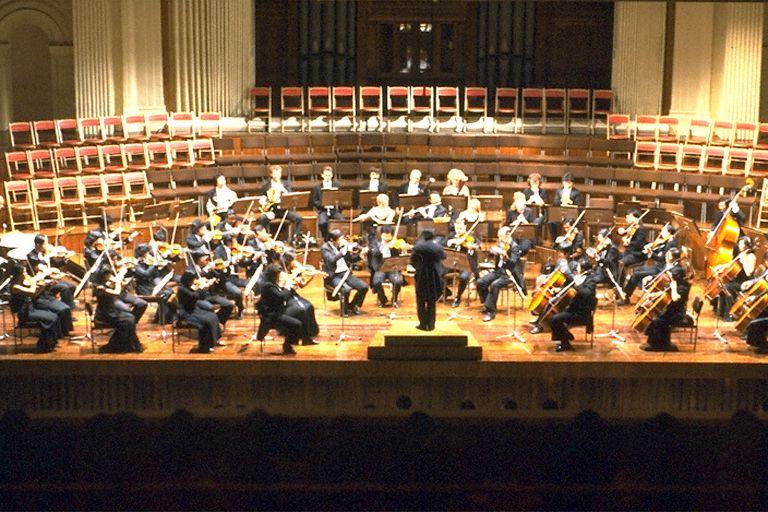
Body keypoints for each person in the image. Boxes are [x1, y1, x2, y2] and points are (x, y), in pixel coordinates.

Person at [9, 263, 67, 353]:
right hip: (25, 313)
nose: (27, 274)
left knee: (54, 315)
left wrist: (43, 286)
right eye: (24, 272)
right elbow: (31, 291)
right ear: (18, 274)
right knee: (50, 319)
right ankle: (44, 346)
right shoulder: (15, 286)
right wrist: (34, 280)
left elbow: (33, 295)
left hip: (31, 309)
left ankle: (51, 343)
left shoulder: (21, 283)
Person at [642, 248, 690, 352]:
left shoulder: (683, 287)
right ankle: (653, 343)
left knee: (658, 320)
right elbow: (666, 293)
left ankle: (661, 345)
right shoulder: (675, 282)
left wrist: (673, 287)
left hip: (677, 312)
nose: (669, 277)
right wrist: (655, 294)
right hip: (670, 308)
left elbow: (675, 299)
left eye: (671, 276)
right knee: (655, 316)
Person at [620, 224, 678, 304]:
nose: (661, 233)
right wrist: (652, 250)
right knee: (636, 270)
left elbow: (662, 259)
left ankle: (626, 296)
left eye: (663, 231)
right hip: (657, 266)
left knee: (636, 274)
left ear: (669, 232)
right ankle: (628, 291)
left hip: (660, 270)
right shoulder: (669, 241)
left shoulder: (671, 244)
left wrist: (651, 254)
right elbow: (659, 251)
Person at [549, 259, 599, 352]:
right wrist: (559, 290)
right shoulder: (580, 278)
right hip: (573, 309)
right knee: (553, 317)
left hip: (582, 313)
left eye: (579, 267)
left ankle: (565, 341)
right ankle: (566, 337)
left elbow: (587, 293)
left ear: (583, 269)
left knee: (554, 319)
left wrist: (577, 285)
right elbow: (570, 290)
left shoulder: (591, 280)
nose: (577, 268)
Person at [477, 226, 525, 322]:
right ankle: (487, 303)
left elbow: (512, 263)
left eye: (501, 236)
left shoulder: (514, 247)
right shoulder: (501, 243)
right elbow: (492, 256)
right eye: (499, 237)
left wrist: (505, 256)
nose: (499, 239)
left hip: (509, 274)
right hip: (498, 271)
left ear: (507, 235)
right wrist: (492, 251)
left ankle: (491, 312)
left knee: (495, 285)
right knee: (480, 282)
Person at [257, 264, 306, 355]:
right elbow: (282, 297)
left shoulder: (273, 283)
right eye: (279, 274)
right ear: (274, 275)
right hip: (272, 315)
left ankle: (292, 335)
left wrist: (291, 286)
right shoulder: (268, 286)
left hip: (279, 310)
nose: (281, 276)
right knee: (297, 324)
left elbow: (284, 295)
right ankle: (287, 345)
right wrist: (287, 286)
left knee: (301, 311)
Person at [94, 265, 144, 354]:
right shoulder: (100, 288)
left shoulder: (106, 284)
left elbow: (118, 289)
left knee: (131, 317)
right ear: (104, 276)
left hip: (111, 310)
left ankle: (129, 344)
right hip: (105, 314)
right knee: (127, 320)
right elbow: (116, 293)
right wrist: (118, 281)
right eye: (108, 275)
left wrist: (120, 280)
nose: (111, 277)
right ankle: (118, 346)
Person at [177, 268, 227, 354]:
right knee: (206, 321)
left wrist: (202, 287)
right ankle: (204, 347)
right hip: (186, 313)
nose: (194, 281)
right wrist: (201, 288)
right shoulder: (181, 288)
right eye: (193, 279)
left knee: (213, 316)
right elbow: (194, 296)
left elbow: (196, 296)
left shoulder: (187, 286)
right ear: (187, 279)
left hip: (192, 309)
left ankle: (214, 341)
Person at [321, 230, 369, 316]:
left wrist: (360, 256)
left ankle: (353, 305)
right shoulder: (325, 248)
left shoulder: (341, 246)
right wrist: (342, 251)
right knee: (346, 289)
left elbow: (350, 260)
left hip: (346, 273)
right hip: (334, 276)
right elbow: (331, 260)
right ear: (332, 240)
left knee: (364, 287)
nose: (342, 240)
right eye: (340, 239)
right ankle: (344, 310)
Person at [279, 251, 319, 345]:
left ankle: (310, 334)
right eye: (294, 260)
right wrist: (294, 276)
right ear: (288, 261)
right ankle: (303, 338)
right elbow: (283, 287)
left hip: (293, 294)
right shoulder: (281, 271)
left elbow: (302, 285)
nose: (296, 262)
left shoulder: (295, 270)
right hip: (285, 296)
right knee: (303, 309)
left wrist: (311, 277)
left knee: (309, 306)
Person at [410, 229, 445, 331]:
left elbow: (413, 260)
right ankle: (431, 324)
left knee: (420, 301)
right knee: (431, 301)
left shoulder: (418, 247)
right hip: (434, 276)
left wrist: (418, 267)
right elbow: (443, 257)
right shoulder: (438, 247)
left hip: (421, 275)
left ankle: (422, 323)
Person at [27, 234, 76, 308]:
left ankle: (64, 306)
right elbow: (41, 272)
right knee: (65, 288)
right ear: (38, 245)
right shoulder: (33, 257)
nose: (48, 245)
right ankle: (66, 309)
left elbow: (56, 264)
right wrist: (52, 271)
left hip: (51, 279)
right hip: (43, 283)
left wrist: (65, 258)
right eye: (45, 243)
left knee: (72, 286)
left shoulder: (44, 252)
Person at [714, 236, 756, 320]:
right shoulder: (742, 253)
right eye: (739, 243)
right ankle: (721, 313)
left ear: (746, 246)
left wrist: (744, 261)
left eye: (741, 244)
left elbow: (749, 273)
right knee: (723, 285)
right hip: (738, 280)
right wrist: (721, 266)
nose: (739, 245)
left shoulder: (752, 256)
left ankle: (729, 315)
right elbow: (731, 263)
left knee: (728, 287)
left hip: (745, 283)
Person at [133, 244, 177, 325]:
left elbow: (155, 275)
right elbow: (145, 274)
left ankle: (163, 317)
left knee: (170, 291)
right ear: (142, 254)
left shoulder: (147, 263)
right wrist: (154, 264)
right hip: (144, 290)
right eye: (147, 253)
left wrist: (162, 267)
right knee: (166, 293)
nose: (149, 255)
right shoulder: (136, 265)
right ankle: (162, 319)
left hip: (151, 286)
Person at [257, 164, 303, 240]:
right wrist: (266, 209)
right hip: (272, 211)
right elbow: (262, 199)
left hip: (284, 210)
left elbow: (291, 197)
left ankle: (296, 238)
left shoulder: (286, 184)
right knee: (262, 218)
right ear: (271, 174)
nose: (277, 176)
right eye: (275, 173)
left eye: (279, 173)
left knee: (298, 218)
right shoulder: (266, 186)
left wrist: (284, 190)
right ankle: (265, 239)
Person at [445, 218, 481, 308]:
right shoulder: (451, 236)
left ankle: (458, 297)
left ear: (465, 227)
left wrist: (471, 246)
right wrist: (454, 241)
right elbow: (446, 244)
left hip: (466, 264)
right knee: (436, 271)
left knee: (464, 277)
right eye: (457, 228)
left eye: (461, 228)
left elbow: (478, 245)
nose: (459, 230)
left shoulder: (471, 236)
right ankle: (446, 292)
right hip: (452, 263)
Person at [368, 225, 406, 308]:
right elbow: (374, 253)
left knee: (398, 281)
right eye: (384, 235)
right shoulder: (375, 243)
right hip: (380, 268)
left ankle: (394, 299)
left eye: (388, 236)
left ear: (392, 235)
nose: (386, 238)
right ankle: (383, 299)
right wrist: (384, 247)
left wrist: (395, 248)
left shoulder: (396, 243)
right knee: (377, 282)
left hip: (393, 267)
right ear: (381, 234)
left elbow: (400, 255)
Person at [213, 234, 248, 319]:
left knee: (253, 283)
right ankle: (240, 309)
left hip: (234, 277)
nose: (236, 243)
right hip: (224, 279)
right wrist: (231, 261)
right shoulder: (218, 251)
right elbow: (219, 266)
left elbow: (243, 264)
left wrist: (244, 259)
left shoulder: (234, 250)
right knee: (238, 292)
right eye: (234, 241)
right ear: (229, 242)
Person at [312, 165, 345, 240]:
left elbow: (341, 199)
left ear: (332, 175)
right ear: (322, 175)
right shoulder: (317, 187)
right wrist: (323, 205)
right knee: (322, 222)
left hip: (334, 210)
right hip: (323, 210)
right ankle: (326, 239)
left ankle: (338, 239)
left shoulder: (337, 186)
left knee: (342, 221)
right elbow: (314, 201)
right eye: (326, 175)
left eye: (329, 175)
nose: (327, 177)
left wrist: (337, 207)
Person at [550, 172, 580, 240]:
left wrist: (570, 202)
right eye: (565, 182)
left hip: (571, 213)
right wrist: (562, 201)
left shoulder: (576, 192)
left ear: (572, 183)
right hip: (560, 212)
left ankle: (568, 239)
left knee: (569, 221)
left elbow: (577, 204)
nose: (566, 184)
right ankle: (555, 239)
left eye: (569, 182)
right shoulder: (559, 190)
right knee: (551, 222)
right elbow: (555, 202)